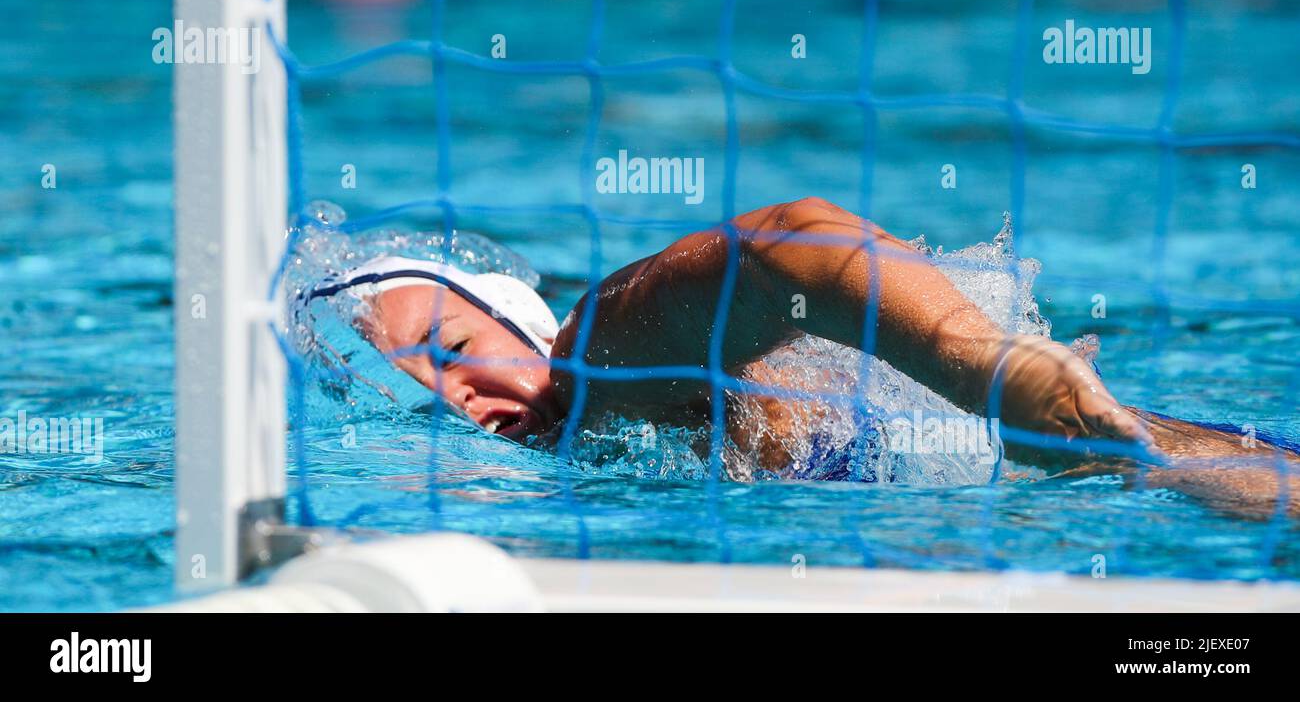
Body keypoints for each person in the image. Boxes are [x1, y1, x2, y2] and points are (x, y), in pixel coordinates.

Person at [313, 198, 1299, 515]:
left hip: (1007, 462)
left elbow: (794, 240)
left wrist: (990, 372)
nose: (448, 394)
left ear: (523, 325)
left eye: (449, 347)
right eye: (404, 390)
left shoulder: (595, 355)